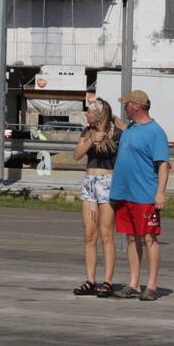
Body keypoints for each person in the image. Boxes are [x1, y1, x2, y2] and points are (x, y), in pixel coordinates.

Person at [107, 90, 170, 302]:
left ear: (136, 106)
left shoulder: (156, 132)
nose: (124, 108)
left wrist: (160, 193)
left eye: (127, 104)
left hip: (145, 195)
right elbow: (121, 125)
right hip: (125, 193)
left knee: (150, 238)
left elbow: (163, 165)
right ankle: (134, 283)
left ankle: (151, 285)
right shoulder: (132, 128)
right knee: (131, 237)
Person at [71, 98, 123, 298]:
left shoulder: (117, 133)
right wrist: (91, 141)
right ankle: (90, 279)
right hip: (90, 184)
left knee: (106, 234)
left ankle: (107, 281)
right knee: (89, 234)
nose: (87, 114)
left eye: (90, 111)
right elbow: (76, 155)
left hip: (107, 184)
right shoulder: (87, 132)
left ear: (99, 114)